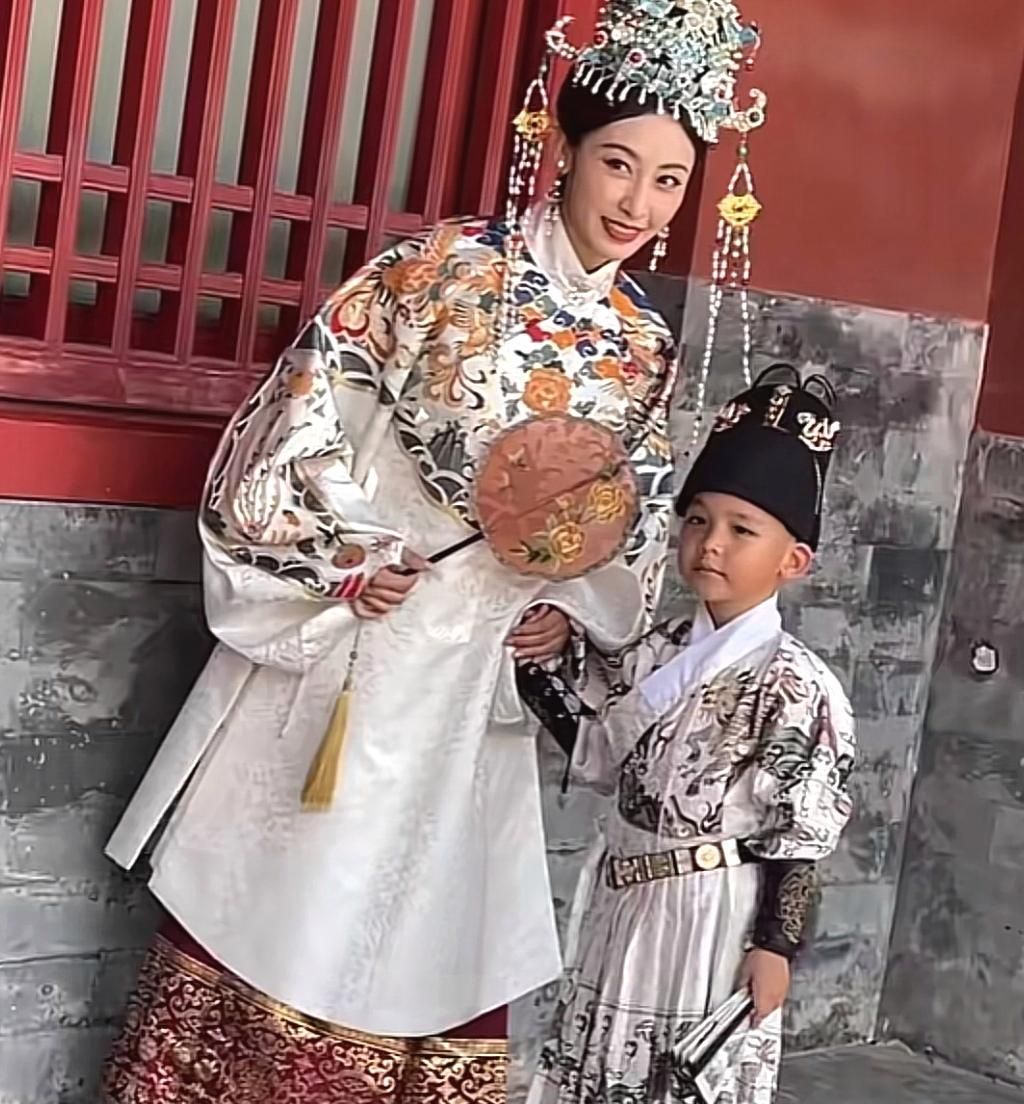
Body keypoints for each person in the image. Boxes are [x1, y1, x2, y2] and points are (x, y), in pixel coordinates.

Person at [100, 3, 763, 1101]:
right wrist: (348, 554)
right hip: (368, 642)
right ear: (565, 151)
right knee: (298, 896)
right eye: (618, 166)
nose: (638, 205)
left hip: (477, 686)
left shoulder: (646, 348)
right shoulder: (441, 272)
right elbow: (300, 422)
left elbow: (631, 533)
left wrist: (575, 612)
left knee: (434, 927)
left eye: (668, 182)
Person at [524, 367, 856, 1104]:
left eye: (743, 530)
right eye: (699, 520)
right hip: (624, 893)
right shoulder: (654, 648)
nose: (712, 544)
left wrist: (775, 947)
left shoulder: (797, 684)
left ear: (793, 560)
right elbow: (595, 745)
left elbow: (797, 836)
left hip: (713, 909)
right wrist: (535, 658)